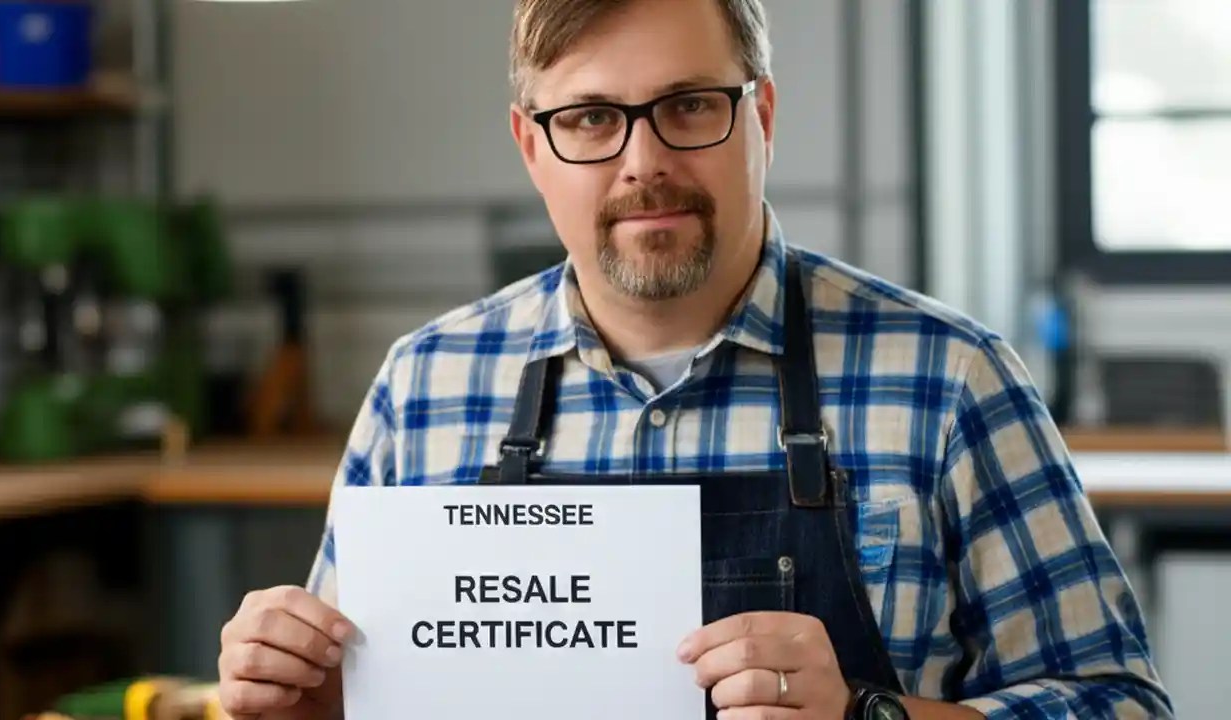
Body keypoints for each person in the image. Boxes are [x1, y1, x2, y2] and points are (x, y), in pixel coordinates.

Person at [216, 0, 1174, 718]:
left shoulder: (950, 380)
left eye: (687, 105)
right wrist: (311, 701)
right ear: (529, 147)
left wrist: (868, 715)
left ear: (760, 115)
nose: (642, 162)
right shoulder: (424, 386)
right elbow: (359, 690)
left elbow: (1118, 704)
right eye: (590, 118)